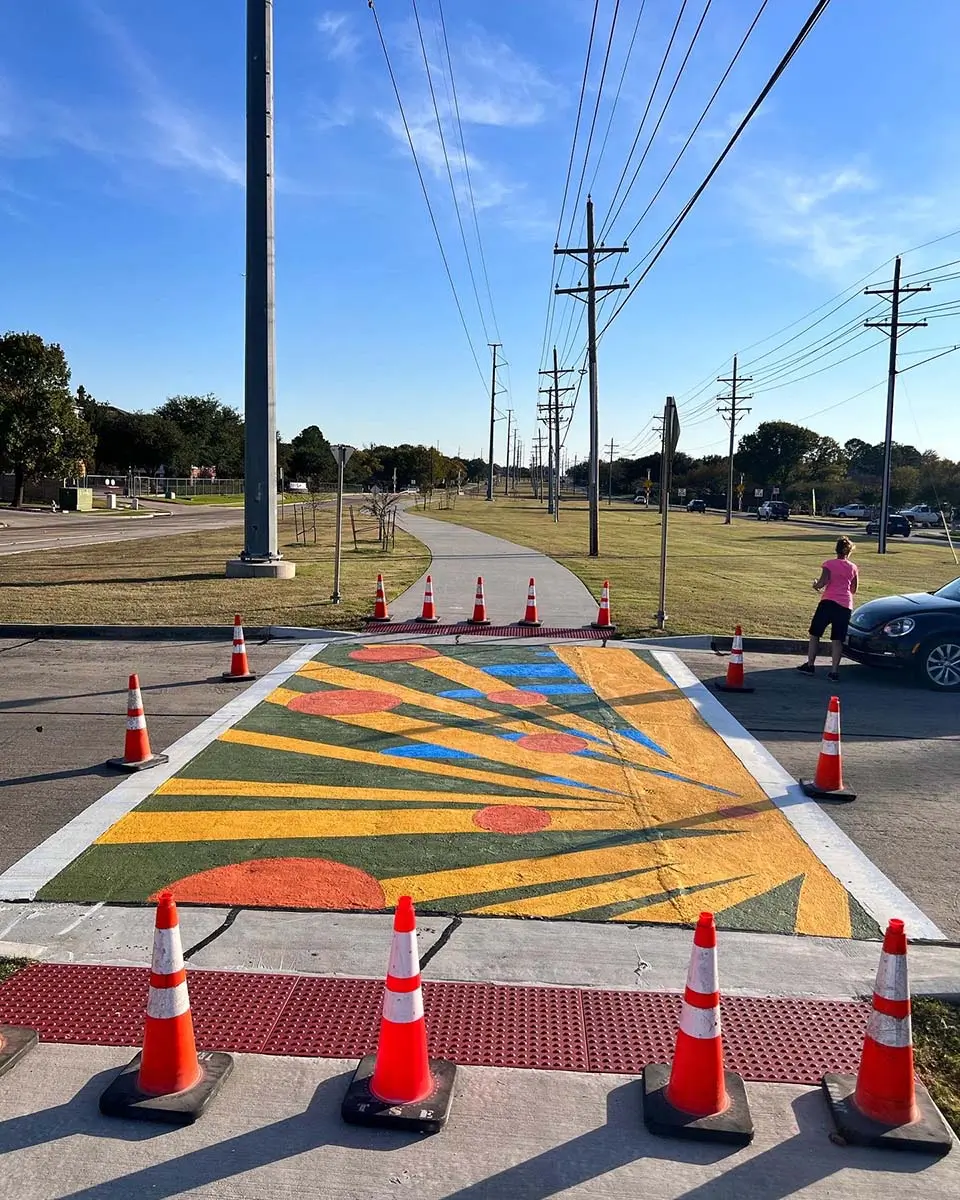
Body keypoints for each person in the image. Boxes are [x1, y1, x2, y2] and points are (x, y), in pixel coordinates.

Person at [797, 536, 858, 682]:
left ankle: (810, 665)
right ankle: (834, 671)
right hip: (845, 605)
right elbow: (854, 589)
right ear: (849, 552)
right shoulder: (853, 567)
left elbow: (823, 582)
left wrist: (815, 584)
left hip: (828, 602)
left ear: (836, 549)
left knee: (815, 633)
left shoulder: (829, 564)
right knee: (838, 639)